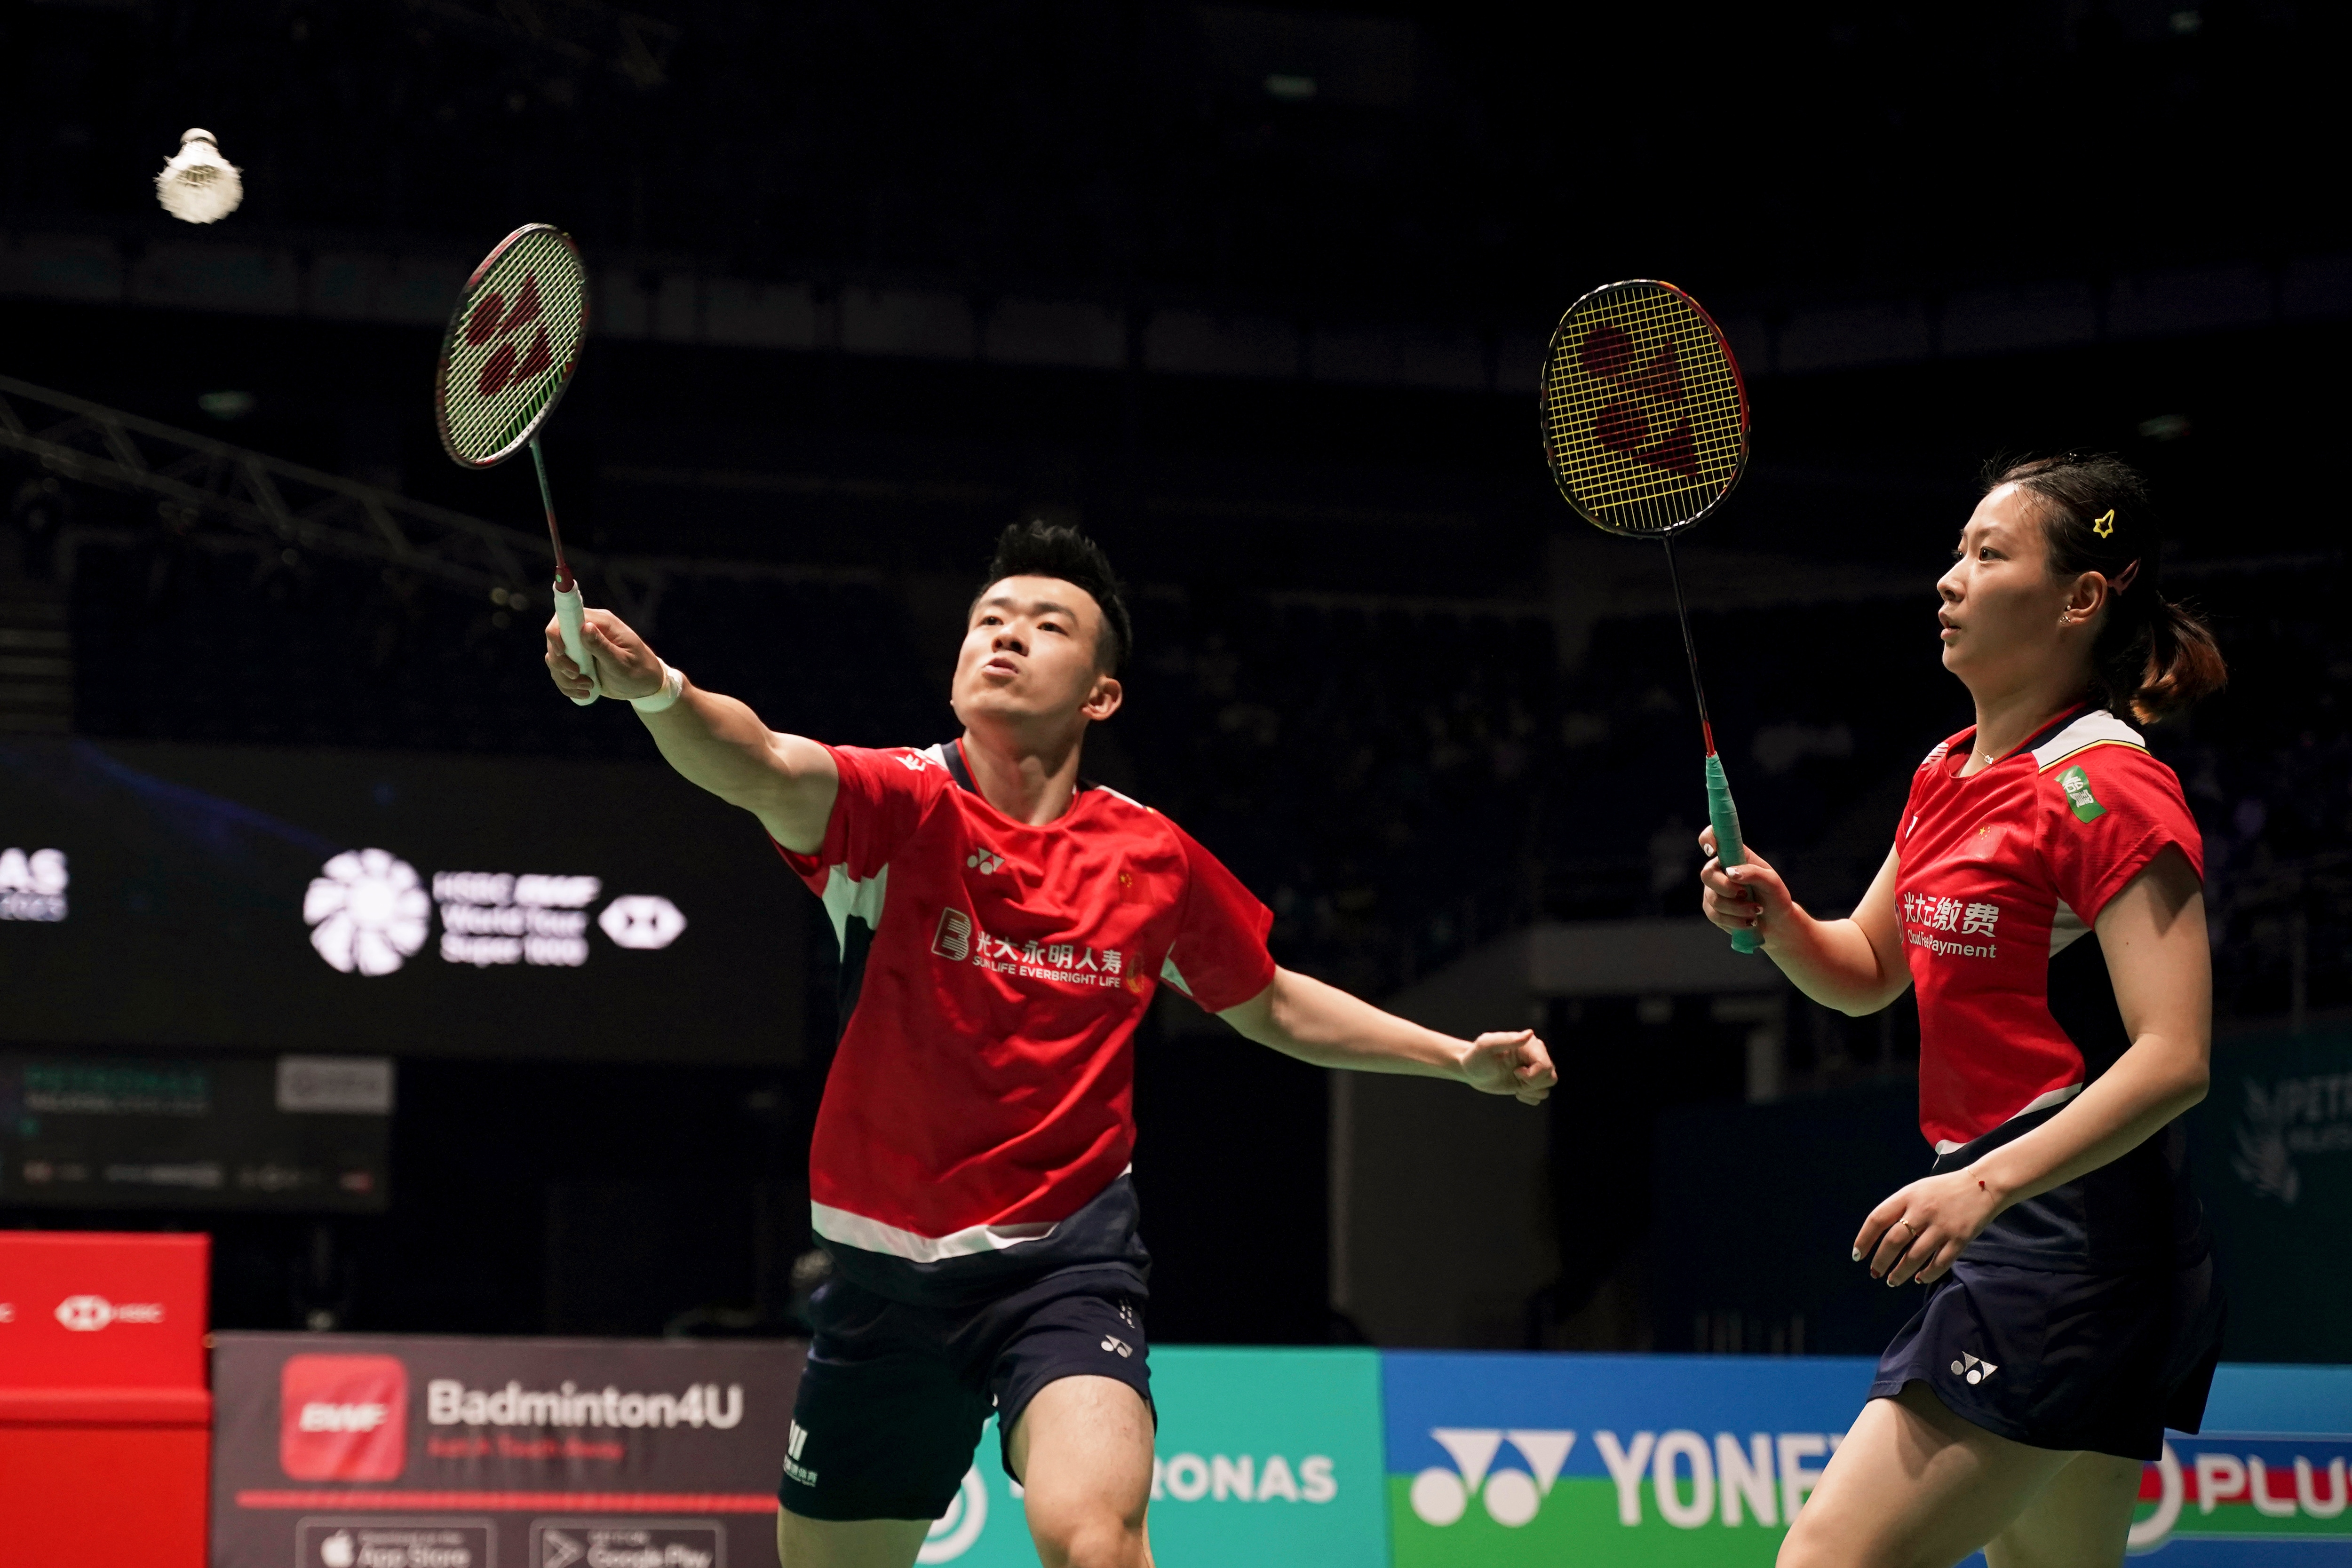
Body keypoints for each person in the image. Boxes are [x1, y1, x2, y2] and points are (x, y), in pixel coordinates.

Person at [545, 520, 1557, 1568]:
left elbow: (1269, 1000)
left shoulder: (1149, 855)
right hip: (882, 1274)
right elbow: (755, 760)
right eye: (989, 620)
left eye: (1046, 624)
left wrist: (1455, 1058)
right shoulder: (899, 806)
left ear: (1101, 694)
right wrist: (656, 688)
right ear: (954, 668)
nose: (1007, 636)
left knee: (1095, 1540)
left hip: (1064, 1269)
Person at [1699, 454, 2228, 1568]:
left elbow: (2175, 1055)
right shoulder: (1947, 771)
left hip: (2073, 1245)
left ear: (2081, 598)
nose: (1948, 579)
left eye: (1989, 555)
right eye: (1956, 550)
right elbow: (1865, 969)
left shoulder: (2107, 787)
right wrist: (1782, 914)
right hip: (2024, 1236)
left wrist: (1983, 1179)